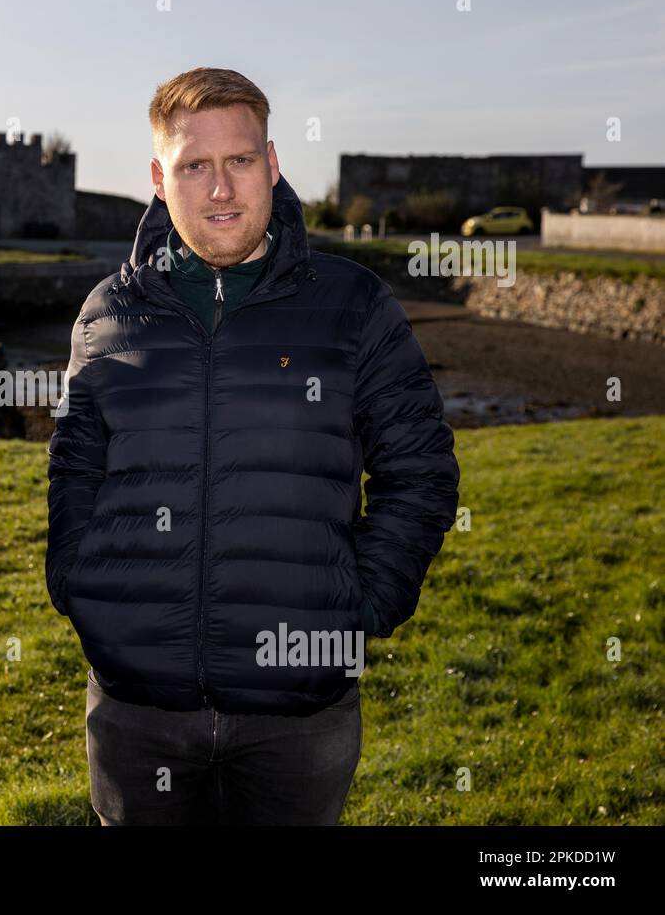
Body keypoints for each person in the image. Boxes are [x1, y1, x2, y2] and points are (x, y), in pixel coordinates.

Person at [45, 67, 460, 825]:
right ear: (158, 180)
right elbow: (76, 466)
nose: (220, 189)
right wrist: (80, 585)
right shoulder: (107, 312)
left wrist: (361, 608)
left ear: (271, 164)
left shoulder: (353, 305)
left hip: (299, 710)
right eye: (193, 167)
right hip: (139, 707)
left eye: (238, 161)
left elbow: (421, 472)